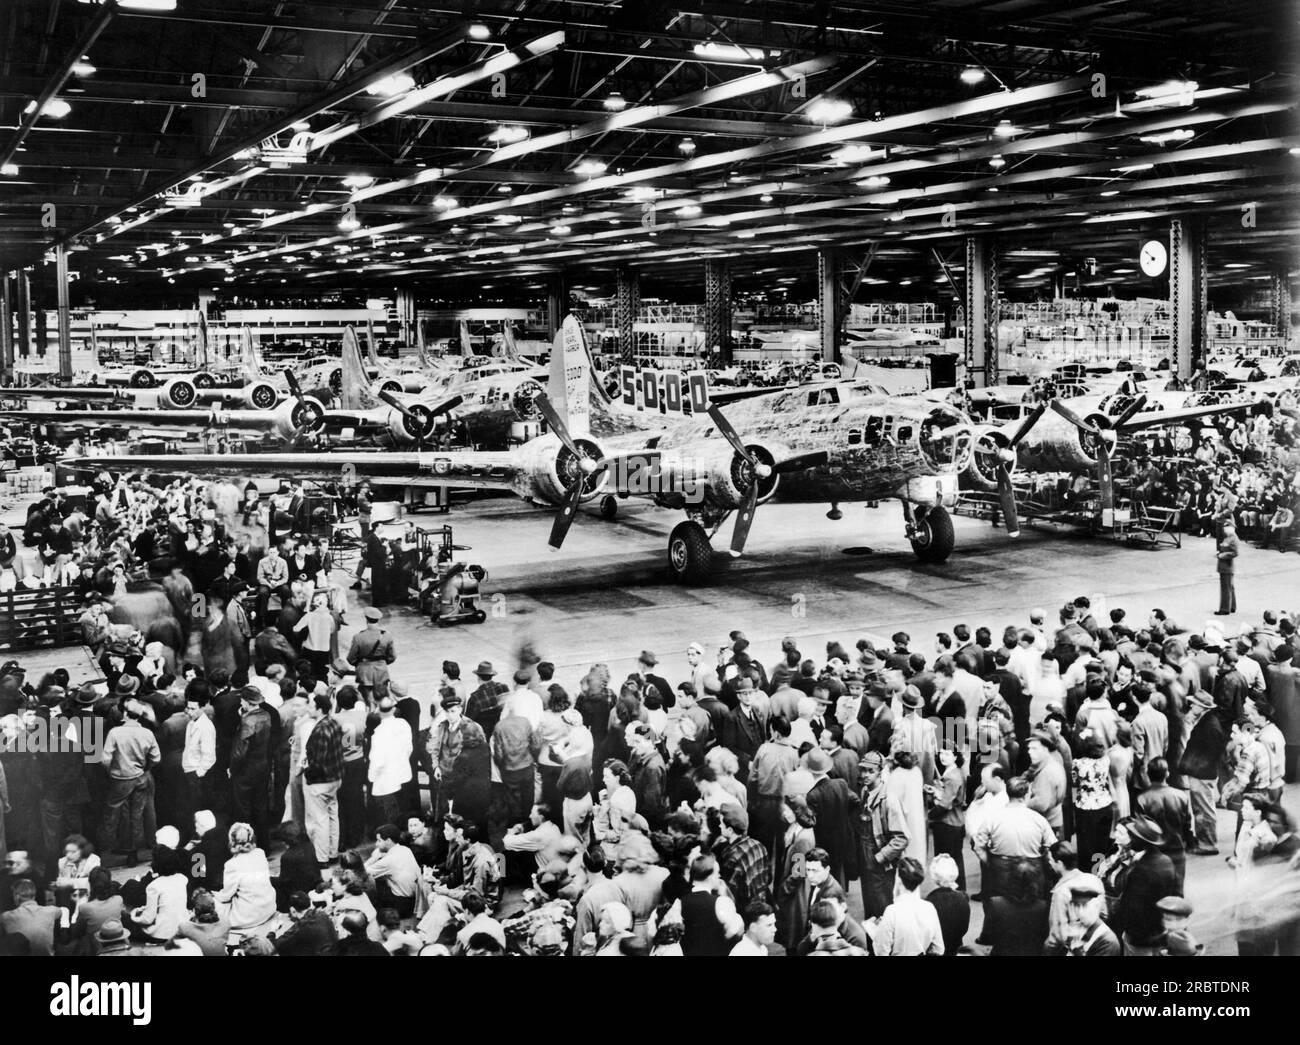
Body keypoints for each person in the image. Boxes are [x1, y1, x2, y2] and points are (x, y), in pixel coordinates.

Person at [99, 698, 161, 866]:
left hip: (120, 779)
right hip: (140, 778)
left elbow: (105, 759)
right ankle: (134, 851)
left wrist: (111, 772)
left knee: (112, 814)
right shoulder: (147, 734)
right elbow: (156, 758)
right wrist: (145, 768)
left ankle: (107, 848)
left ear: (125, 714)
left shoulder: (115, 733)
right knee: (136, 815)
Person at [1110, 813, 1179, 955]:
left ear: (1140, 840)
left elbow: (1131, 907)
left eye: (1133, 835)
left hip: (1140, 938)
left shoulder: (1141, 869)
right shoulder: (1165, 860)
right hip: (1160, 931)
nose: (1131, 838)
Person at [858, 750, 908, 918]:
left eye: (870, 771)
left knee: (883, 911)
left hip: (882, 865)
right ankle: (871, 944)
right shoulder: (865, 791)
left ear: (880, 771)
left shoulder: (889, 799)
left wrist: (879, 858)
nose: (865, 775)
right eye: (863, 770)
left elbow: (901, 838)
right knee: (870, 912)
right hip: (866, 861)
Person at [301, 693, 344, 867]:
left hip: (321, 781)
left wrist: (307, 772)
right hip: (336, 777)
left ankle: (322, 857)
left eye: (311, 706)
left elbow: (317, 762)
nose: (308, 709)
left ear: (319, 710)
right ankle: (333, 853)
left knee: (320, 820)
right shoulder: (334, 723)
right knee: (333, 816)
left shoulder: (319, 731)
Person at [215, 822, 276, 936]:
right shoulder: (260, 853)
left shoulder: (232, 864)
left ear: (231, 841)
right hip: (268, 908)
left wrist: (215, 895)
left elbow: (226, 895)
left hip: (248, 917)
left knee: (214, 904)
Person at [874, 856, 944, 955]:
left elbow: (881, 951)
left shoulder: (891, 911)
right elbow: (938, 948)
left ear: (899, 881)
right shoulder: (929, 908)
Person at [1044, 873, 1122, 956]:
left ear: (1098, 905)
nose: (1080, 912)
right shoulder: (1071, 928)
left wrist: (1075, 948)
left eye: (1085, 905)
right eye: (1076, 905)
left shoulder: (1107, 943)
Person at [983, 862, 1049, 956]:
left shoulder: (996, 903)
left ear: (1010, 879)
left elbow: (986, 937)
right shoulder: (1044, 907)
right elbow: (1045, 936)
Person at [924, 853, 970, 956]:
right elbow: (964, 928)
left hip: (936, 949)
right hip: (955, 946)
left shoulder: (930, 901)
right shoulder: (963, 898)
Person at [346, 607, 395, 702]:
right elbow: (392, 656)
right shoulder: (387, 636)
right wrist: (382, 662)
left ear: (366, 619)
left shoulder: (358, 637)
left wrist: (360, 664)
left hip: (364, 673)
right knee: (382, 699)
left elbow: (350, 658)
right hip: (381, 672)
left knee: (367, 701)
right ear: (378, 619)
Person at [1216, 521, 1239, 615]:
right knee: (1230, 587)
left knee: (1225, 588)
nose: (1224, 530)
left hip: (1227, 565)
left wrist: (1222, 555)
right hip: (1225, 565)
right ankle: (1232, 606)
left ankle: (1225, 609)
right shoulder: (1229, 537)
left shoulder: (1232, 539)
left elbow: (1235, 553)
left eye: (1226, 527)